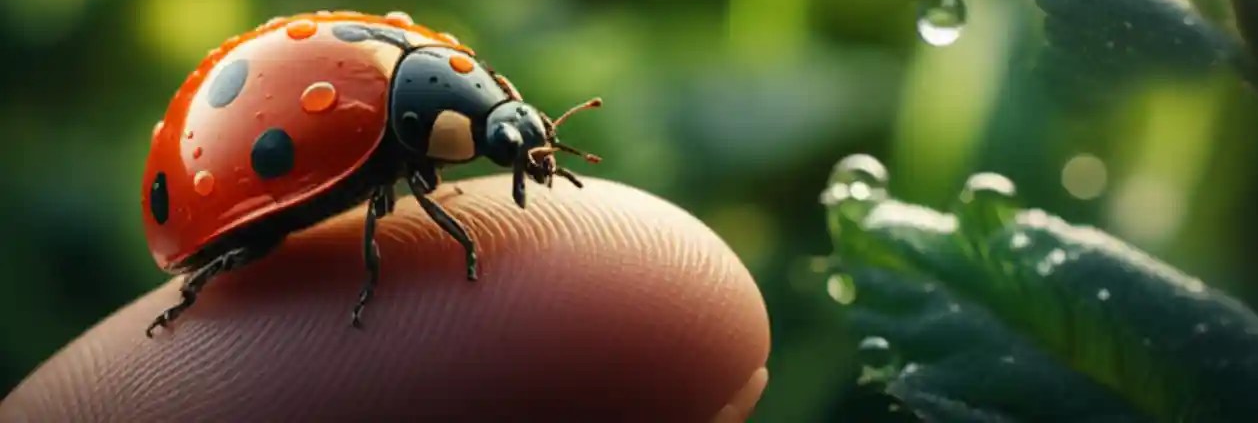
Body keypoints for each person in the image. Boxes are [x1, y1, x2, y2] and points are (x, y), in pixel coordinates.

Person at [1, 177, 769, 422]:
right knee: (314, 223)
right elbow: (386, 202)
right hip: (207, 198)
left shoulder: (416, 100)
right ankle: (200, 287)